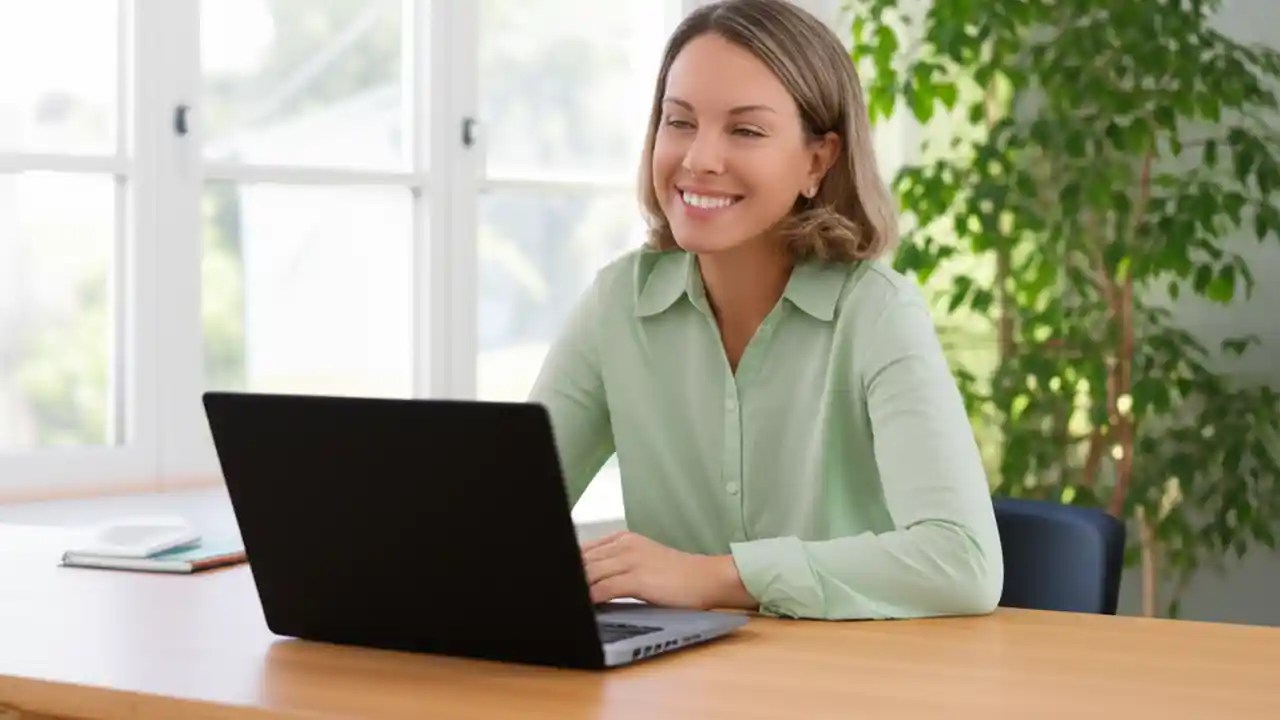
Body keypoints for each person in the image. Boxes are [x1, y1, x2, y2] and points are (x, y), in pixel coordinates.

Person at [529, 0, 1003, 620]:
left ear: (817, 160)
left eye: (745, 130)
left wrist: (712, 578)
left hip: (853, 682)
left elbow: (963, 562)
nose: (699, 158)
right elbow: (501, 517)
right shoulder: (617, 305)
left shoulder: (875, 313)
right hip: (677, 690)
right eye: (679, 122)